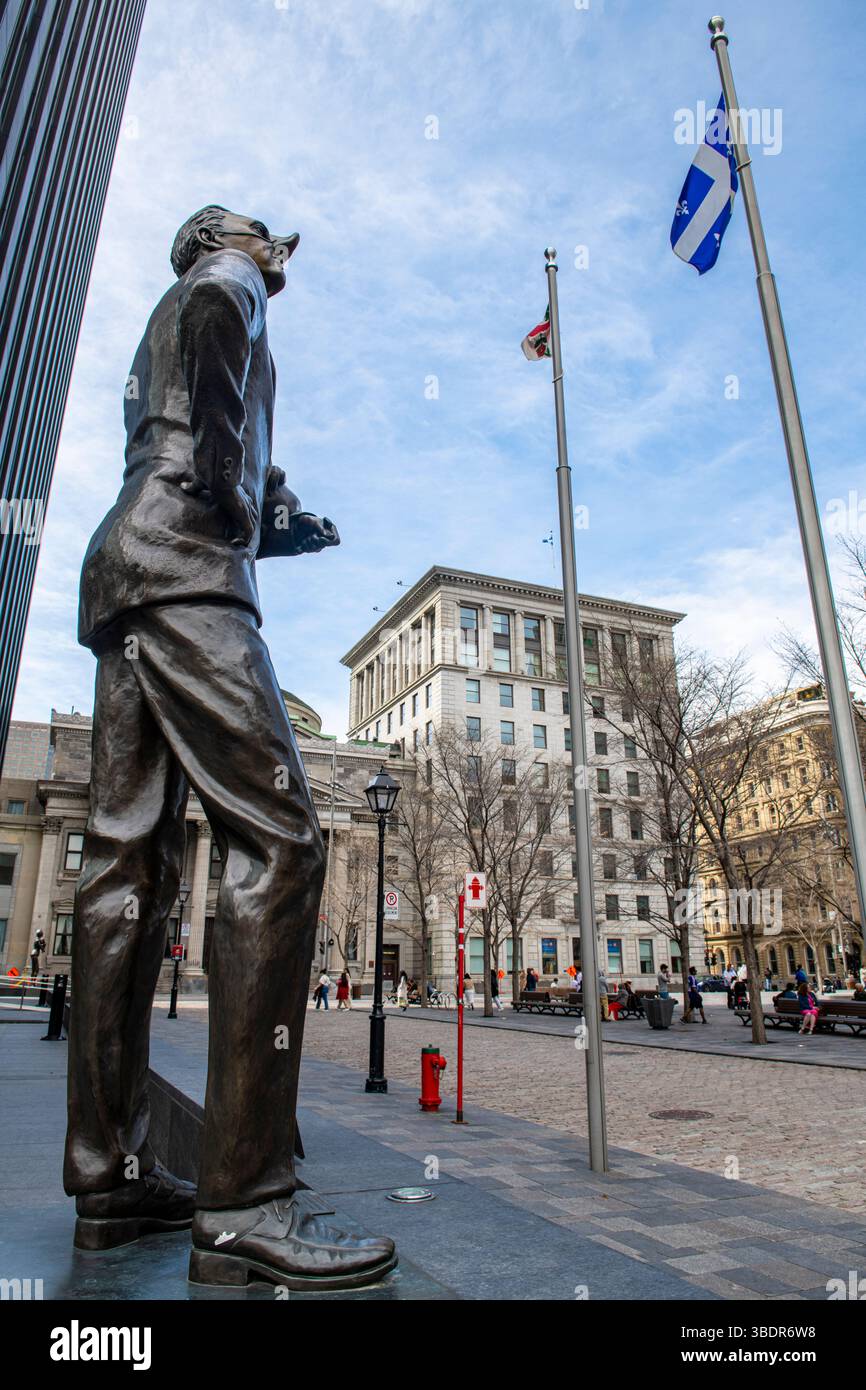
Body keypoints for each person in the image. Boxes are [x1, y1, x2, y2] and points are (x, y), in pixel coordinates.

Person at [61, 203, 395, 1292]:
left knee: (126, 863)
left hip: (122, 571)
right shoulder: (220, 279)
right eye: (265, 236)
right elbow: (217, 328)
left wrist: (272, 510)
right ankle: (245, 1199)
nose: (277, 253)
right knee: (285, 842)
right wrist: (233, 488)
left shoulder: (161, 333)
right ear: (224, 233)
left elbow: (190, 428)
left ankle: (108, 1174)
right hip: (187, 577)